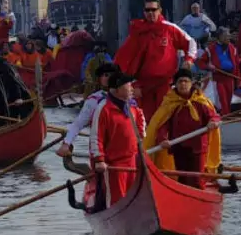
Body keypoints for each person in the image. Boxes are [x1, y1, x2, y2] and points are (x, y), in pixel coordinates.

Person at [113, 0, 197, 122]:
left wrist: (189, 60)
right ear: (144, 12)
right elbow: (125, 58)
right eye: (147, 10)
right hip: (143, 86)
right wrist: (125, 83)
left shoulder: (169, 28)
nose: (151, 13)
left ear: (160, 10)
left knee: (166, 118)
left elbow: (191, 43)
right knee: (144, 120)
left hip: (165, 84)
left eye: (153, 9)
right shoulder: (138, 32)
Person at [143, 68, 221, 189]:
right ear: (176, 84)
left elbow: (214, 116)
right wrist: (162, 139)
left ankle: (198, 200)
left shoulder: (201, 102)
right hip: (179, 147)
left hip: (198, 148)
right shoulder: (170, 102)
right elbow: (162, 124)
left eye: (186, 81)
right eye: (180, 82)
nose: (183, 84)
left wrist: (213, 122)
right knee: (182, 179)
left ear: (191, 83)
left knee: (196, 179)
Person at [86, 72, 146, 210]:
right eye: (129, 85)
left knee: (134, 197)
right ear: (117, 89)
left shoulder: (132, 108)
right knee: (117, 200)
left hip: (132, 162)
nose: (132, 88)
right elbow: (96, 137)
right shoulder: (103, 109)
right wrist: (100, 160)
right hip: (114, 166)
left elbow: (141, 131)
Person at [56, 63, 120, 157]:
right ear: (100, 79)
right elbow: (78, 124)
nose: (108, 77)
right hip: (101, 149)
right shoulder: (94, 100)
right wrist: (66, 144)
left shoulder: (128, 99)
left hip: (123, 148)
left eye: (111, 75)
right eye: (105, 75)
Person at [199, 27, 240, 113]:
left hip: (230, 78)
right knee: (222, 101)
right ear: (219, 37)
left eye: (228, 36)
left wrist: (238, 81)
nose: (228, 38)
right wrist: (208, 66)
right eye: (225, 36)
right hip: (218, 79)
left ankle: (227, 116)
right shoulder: (210, 49)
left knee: (228, 100)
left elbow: (237, 65)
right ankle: (224, 117)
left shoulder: (232, 48)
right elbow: (201, 63)